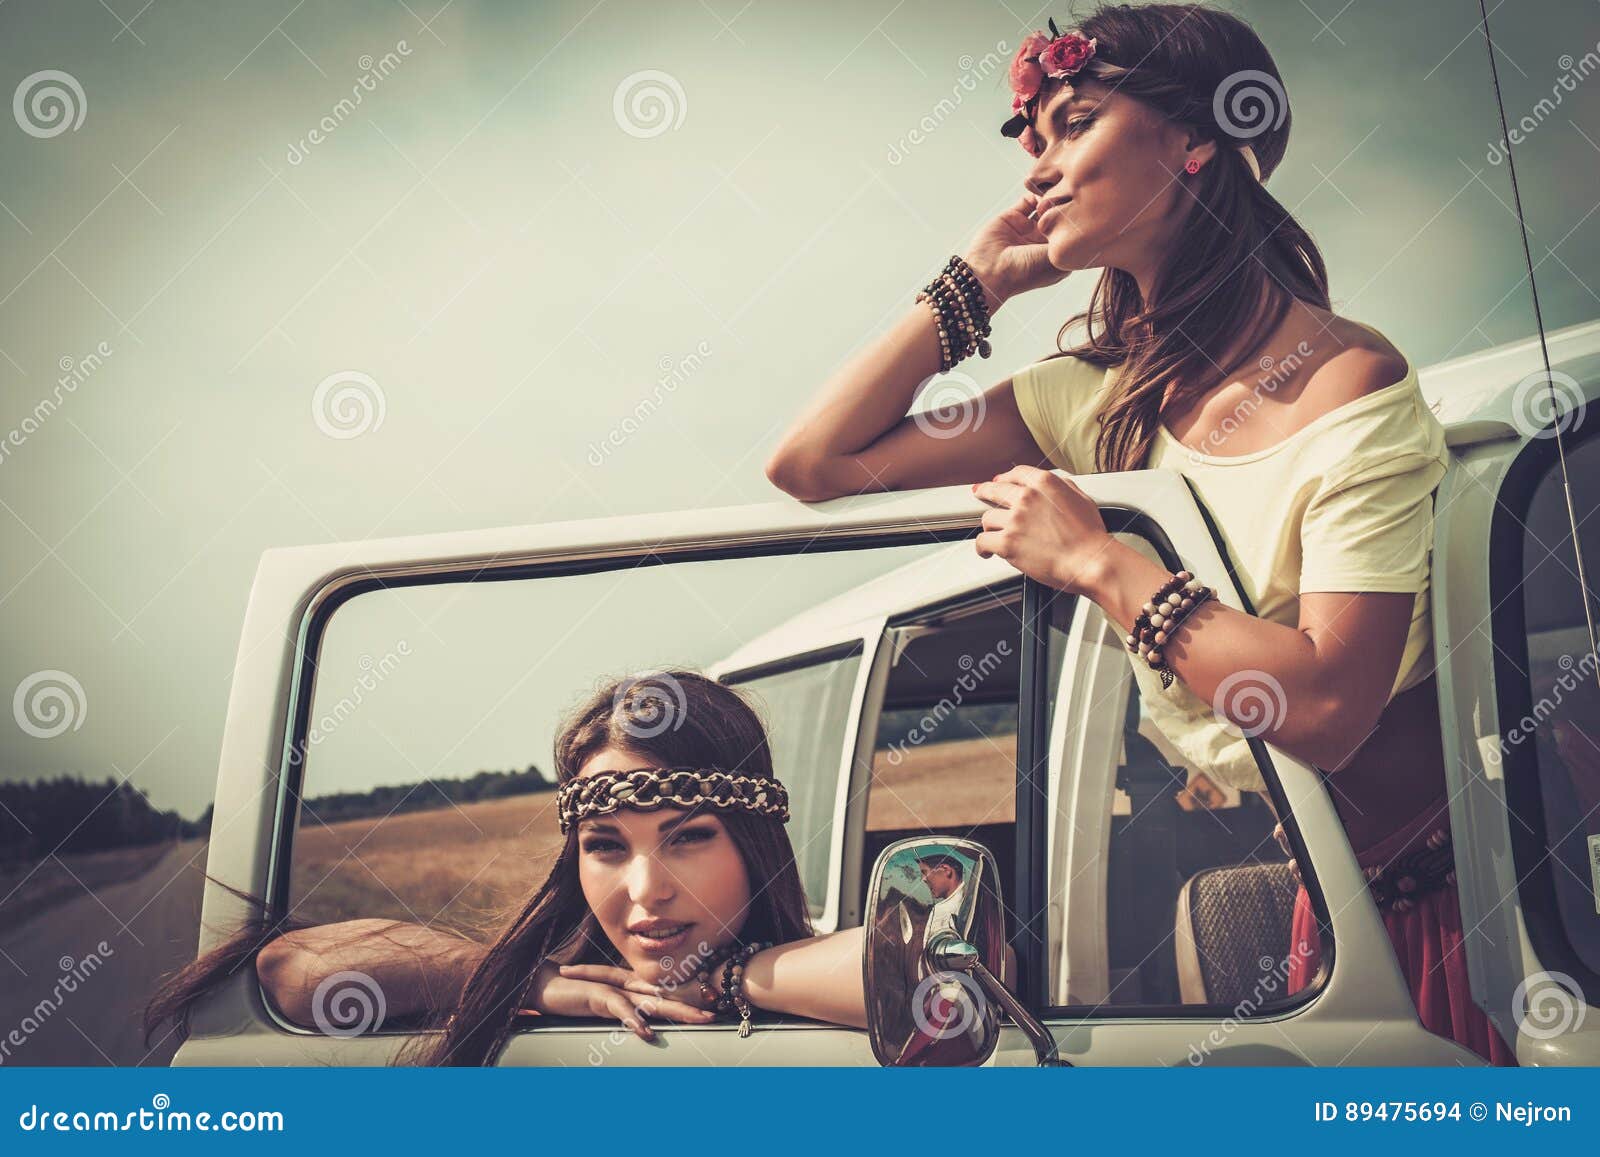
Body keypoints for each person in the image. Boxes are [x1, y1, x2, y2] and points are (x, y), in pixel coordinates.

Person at [764, 4, 1515, 1065]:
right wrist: (969, 285)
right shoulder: (1101, 397)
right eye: (1032, 142)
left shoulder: (1348, 385)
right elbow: (812, 463)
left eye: (1073, 123)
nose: (1037, 170)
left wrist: (1099, 561)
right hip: (1335, 920)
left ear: (1195, 140)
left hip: (1475, 909)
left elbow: (1330, 707)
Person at [147, 670, 872, 1065]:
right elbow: (287, 970)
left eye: (687, 838)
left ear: (753, 842)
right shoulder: (547, 1001)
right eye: (606, 846)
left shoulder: (817, 994)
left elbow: (919, 970)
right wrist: (529, 980)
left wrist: (731, 978)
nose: (646, 890)